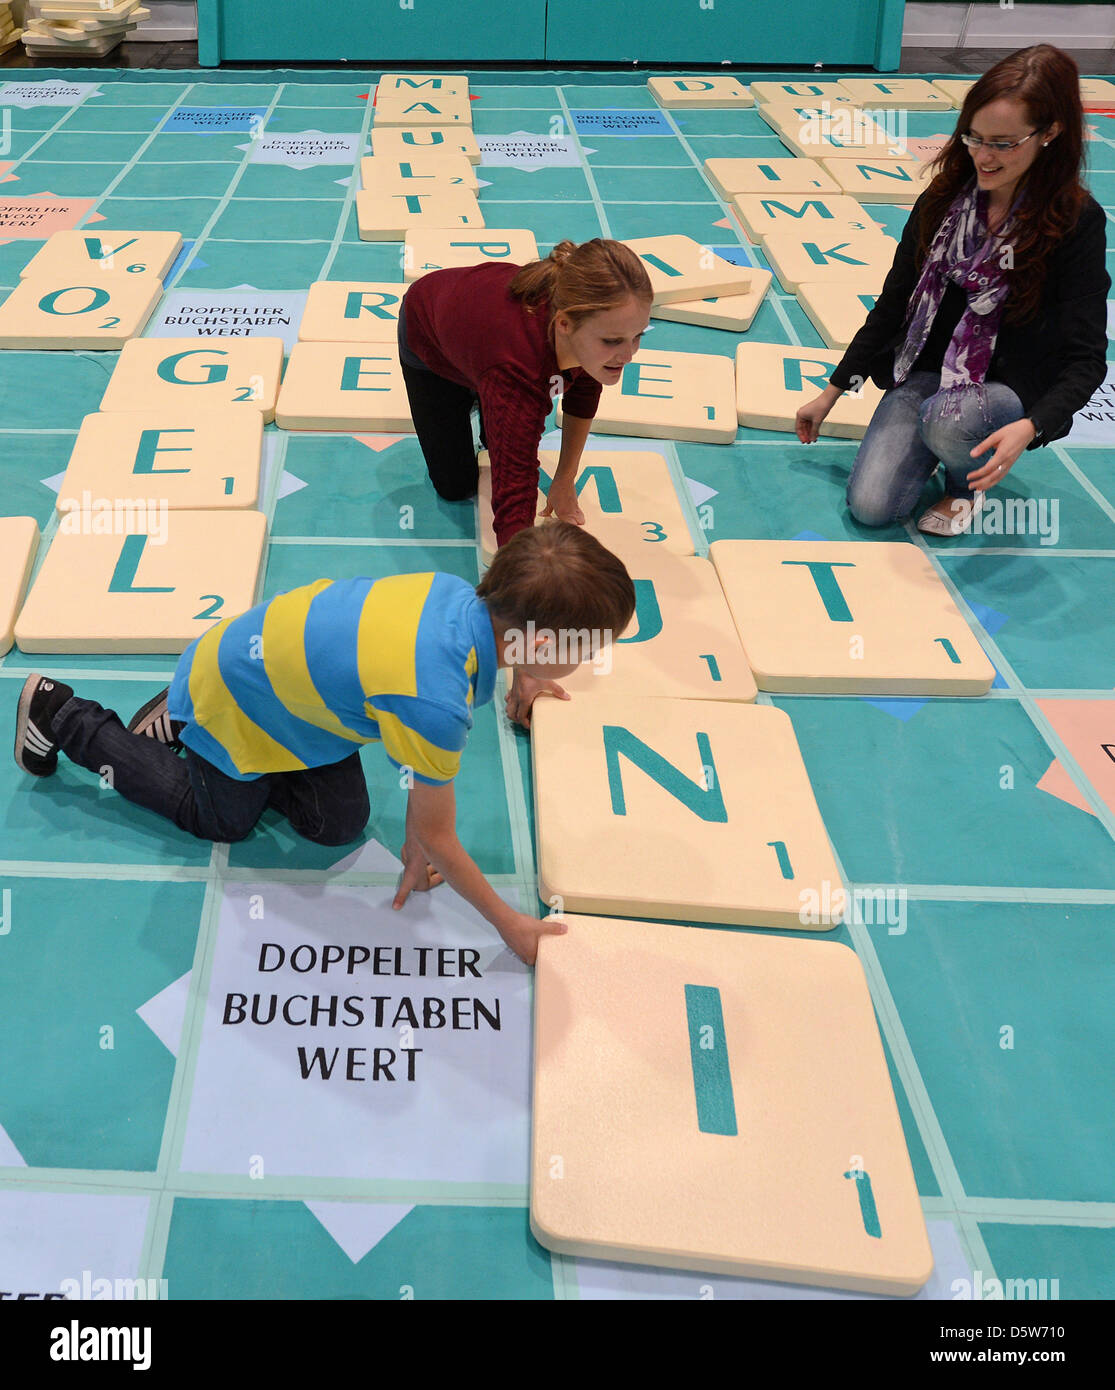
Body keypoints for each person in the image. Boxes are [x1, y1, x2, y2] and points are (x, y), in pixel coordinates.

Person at [13, 522, 636, 966]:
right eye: (589, 649)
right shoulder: (436, 699)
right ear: (544, 642)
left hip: (273, 675)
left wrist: (526, 669)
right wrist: (512, 925)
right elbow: (438, 833)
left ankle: (188, 720)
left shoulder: (460, 596)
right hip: (237, 692)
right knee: (221, 820)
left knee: (338, 825)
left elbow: (425, 815)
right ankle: (67, 715)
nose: (593, 660)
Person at [795, 44, 1109, 536]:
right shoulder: (942, 199)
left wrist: (1032, 425)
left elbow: (1087, 355)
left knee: (948, 417)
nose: (984, 156)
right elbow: (894, 305)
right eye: (974, 137)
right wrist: (834, 390)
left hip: (1006, 388)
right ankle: (943, 439)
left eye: (1004, 143)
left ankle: (965, 484)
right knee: (872, 507)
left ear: (1050, 134)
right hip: (926, 373)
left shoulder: (1075, 222)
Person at [398, 236, 652, 722]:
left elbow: (584, 390)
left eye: (640, 336)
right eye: (614, 341)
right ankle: (479, 403)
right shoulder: (515, 368)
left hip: (492, 343)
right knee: (457, 483)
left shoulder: (583, 336)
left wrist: (563, 479)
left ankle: (489, 411)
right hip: (429, 336)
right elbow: (512, 511)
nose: (629, 354)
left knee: (510, 431)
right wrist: (525, 664)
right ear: (564, 324)